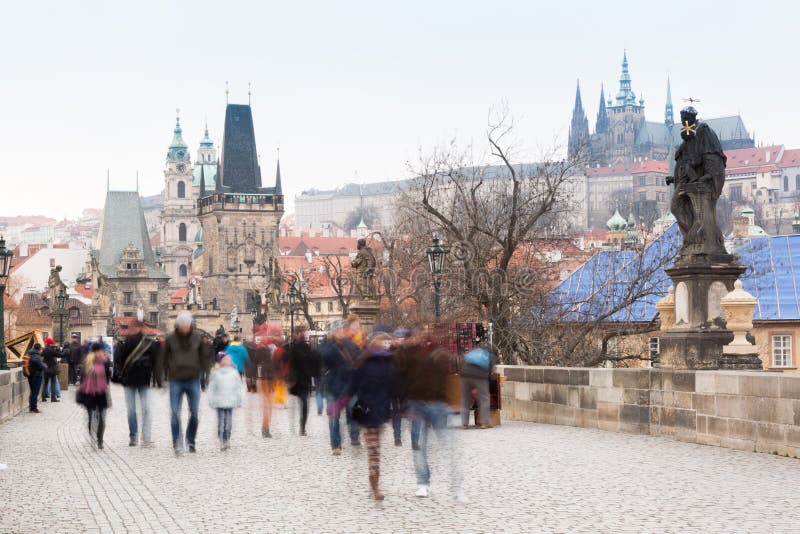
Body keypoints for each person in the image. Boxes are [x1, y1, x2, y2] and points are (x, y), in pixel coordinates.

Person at [407, 336, 464, 500]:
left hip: (437, 404)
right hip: (418, 404)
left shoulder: (440, 354)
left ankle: (456, 486)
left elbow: (452, 372)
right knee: (420, 447)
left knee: (448, 446)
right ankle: (423, 483)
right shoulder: (411, 355)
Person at [345, 332, 396, 500]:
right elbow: (353, 386)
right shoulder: (365, 363)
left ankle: (374, 485)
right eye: (384, 344)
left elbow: (395, 387)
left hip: (380, 412)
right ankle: (375, 487)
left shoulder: (388, 363)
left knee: (375, 450)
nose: (386, 347)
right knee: (374, 450)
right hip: (368, 412)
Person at [160, 311, 212, 455]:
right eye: (182, 324)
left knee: (194, 413)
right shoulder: (170, 339)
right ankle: (177, 442)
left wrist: (209, 372)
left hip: (193, 379)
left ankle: (190, 441)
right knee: (174, 413)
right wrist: (160, 378)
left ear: (190, 324)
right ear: (178, 324)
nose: (184, 326)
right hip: (176, 380)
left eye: (186, 324)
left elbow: (205, 356)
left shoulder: (198, 337)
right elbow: (163, 358)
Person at [114, 320, 160, 447]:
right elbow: (119, 361)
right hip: (131, 380)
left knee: (145, 409)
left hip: (143, 380)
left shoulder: (148, 344)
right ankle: (135, 436)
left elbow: (156, 361)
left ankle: (144, 437)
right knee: (133, 410)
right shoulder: (125, 344)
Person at [320, 320, 361, 455]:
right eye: (337, 329)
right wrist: (333, 343)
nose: (340, 331)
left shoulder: (349, 345)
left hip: (347, 387)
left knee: (353, 412)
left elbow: (358, 360)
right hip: (332, 387)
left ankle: (354, 435)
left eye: (341, 329)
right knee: (334, 417)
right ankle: (335, 444)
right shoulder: (327, 345)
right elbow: (324, 356)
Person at [286, 327, 321, 436]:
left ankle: (302, 426)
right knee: (299, 403)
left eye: (302, 333)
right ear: (295, 334)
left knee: (304, 403)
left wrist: (315, 371)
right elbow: (289, 363)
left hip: (305, 380)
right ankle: (295, 425)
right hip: (296, 380)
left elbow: (313, 361)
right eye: (299, 333)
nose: (301, 335)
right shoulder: (292, 348)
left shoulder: (306, 347)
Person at [77, 342, 112, 449]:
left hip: (100, 394)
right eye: (100, 350)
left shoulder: (105, 362)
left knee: (101, 418)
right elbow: (82, 378)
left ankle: (99, 439)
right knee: (93, 418)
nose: (102, 352)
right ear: (96, 351)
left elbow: (108, 378)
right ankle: (94, 438)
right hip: (90, 394)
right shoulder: (88, 362)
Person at [207, 352, 244, 451]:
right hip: (219, 402)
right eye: (225, 359)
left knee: (228, 423)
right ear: (220, 361)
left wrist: (239, 399)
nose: (228, 360)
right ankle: (221, 440)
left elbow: (238, 387)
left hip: (230, 402)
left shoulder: (234, 372)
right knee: (221, 423)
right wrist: (211, 400)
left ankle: (227, 439)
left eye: (228, 358)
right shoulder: (215, 372)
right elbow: (211, 388)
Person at [460, 340, 493, 429]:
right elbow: (490, 371)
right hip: (480, 376)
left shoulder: (473, 352)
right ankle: (484, 423)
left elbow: (463, 362)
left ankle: (464, 424)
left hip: (465, 375)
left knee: (465, 400)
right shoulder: (489, 355)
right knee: (484, 399)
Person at [24, 343, 47, 413]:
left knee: (33, 392)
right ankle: (34, 408)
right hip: (36, 376)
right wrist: (45, 366)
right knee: (35, 392)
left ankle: (31, 407)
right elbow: (39, 364)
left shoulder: (29, 353)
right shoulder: (36, 355)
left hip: (30, 375)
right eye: (41, 349)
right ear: (39, 349)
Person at [41, 338, 62, 402]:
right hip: (52, 369)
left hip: (45, 369)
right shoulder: (52, 350)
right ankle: (53, 398)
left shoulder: (44, 350)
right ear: (51, 343)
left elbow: (41, 355)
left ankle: (43, 397)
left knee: (45, 383)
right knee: (53, 383)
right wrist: (57, 349)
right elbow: (59, 355)